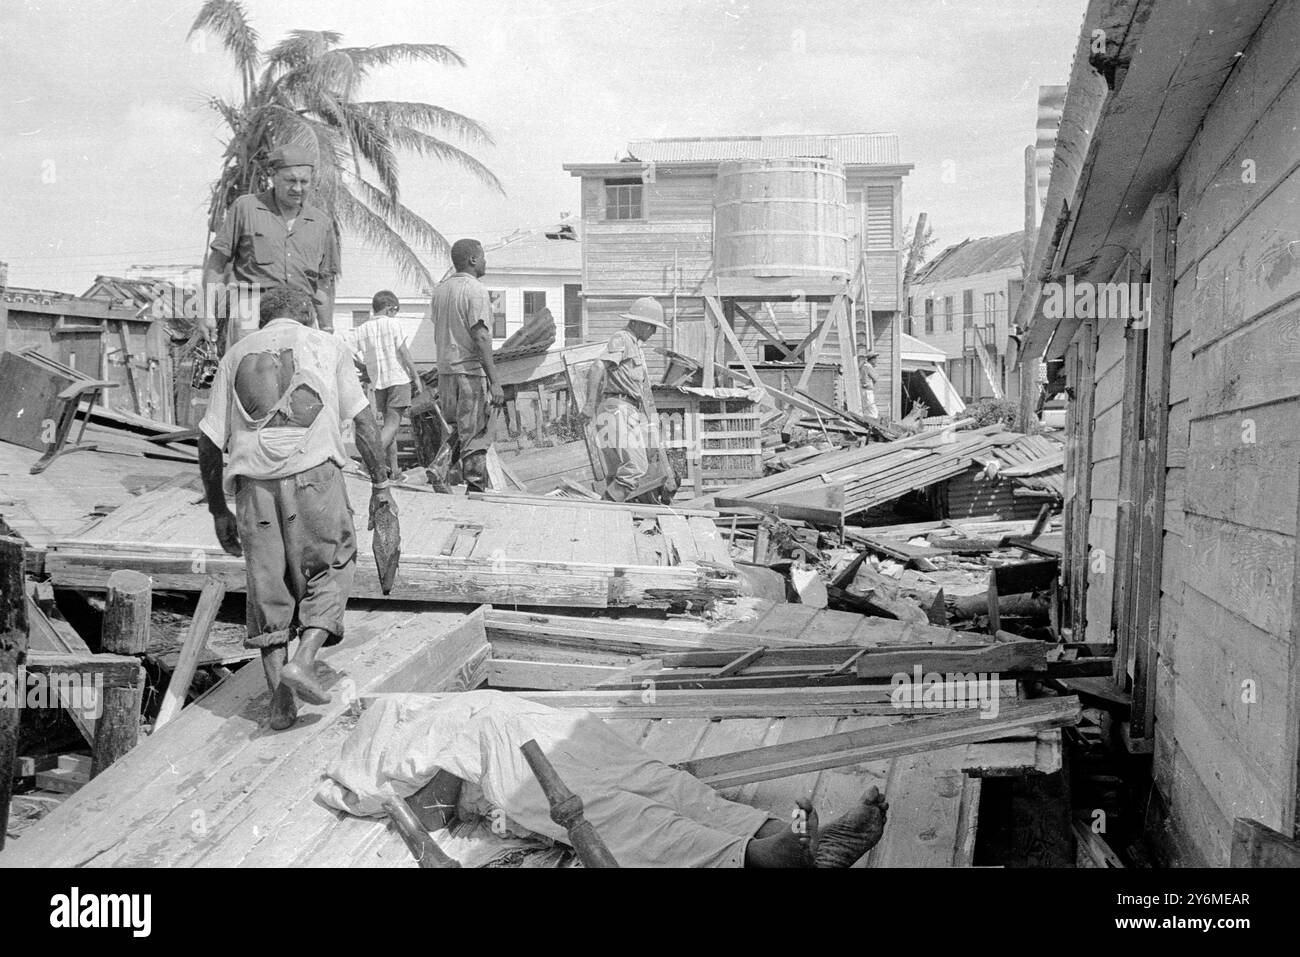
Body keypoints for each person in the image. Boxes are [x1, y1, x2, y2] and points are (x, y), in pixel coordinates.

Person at [322, 690, 891, 868]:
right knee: (618, 809)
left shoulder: (408, 705)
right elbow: (404, 788)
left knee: (658, 782)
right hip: (502, 747)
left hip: (538, 727)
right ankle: (754, 855)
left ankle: (785, 840)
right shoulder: (384, 729)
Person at [196, 286, 395, 731]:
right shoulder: (328, 346)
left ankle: (280, 705)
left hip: (254, 489)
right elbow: (364, 421)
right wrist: (381, 484)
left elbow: (207, 441)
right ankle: (303, 660)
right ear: (306, 314)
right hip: (314, 478)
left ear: (263, 318)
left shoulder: (235, 356)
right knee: (334, 564)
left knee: (268, 588)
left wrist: (218, 510)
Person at [202, 143, 340, 347]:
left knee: (304, 366)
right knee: (248, 363)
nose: (297, 189)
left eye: (304, 182)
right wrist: (207, 313)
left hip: (300, 311)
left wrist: (327, 328)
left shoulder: (321, 222)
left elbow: (323, 283)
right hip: (251, 309)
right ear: (273, 176)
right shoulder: (246, 207)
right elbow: (217, 264)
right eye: (290, 181)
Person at [429, 238, 504, 492]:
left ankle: (440, 467)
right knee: (476, 432)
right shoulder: (476, 290)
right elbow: (481, 336)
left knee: (460, 429)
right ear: (472, 259)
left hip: (445, 372)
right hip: (469, 373)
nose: (485, 262)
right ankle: (475, 488)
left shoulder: (440, 292)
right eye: (483, 257)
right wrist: (495, 381)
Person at [581, 297, 669, 502]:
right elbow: (597, 367)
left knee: (621, 470)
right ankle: (604, 510)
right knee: (636, 467)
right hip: (618, 408)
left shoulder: (634, 345)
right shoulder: (622, 338)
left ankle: (608, 512)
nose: (654, 332)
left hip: (626, 410)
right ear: (638, 323)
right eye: (651, 326)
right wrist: (589, 404)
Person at [352, 290, 423, 480]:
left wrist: (363, 368)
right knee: (392, 425)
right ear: (390, 308)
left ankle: (394, 470)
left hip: (379, 383)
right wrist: (415, 376)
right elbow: (404, 352)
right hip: (398, 379)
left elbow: (347, 351)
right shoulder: (393, 324)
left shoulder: (362, 329)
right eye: (396, 310)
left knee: (388, 427)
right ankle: (367, 464)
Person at [859, 345, 881, 419]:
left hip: (864, 390)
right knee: (873, 410)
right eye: (874, 358)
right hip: (868, 390)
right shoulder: (868, 366)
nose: (876, 360)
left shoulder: (864, 366)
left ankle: (868, 421)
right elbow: (876, 378)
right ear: (871, 359)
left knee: (867, 409)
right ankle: (873, 422)